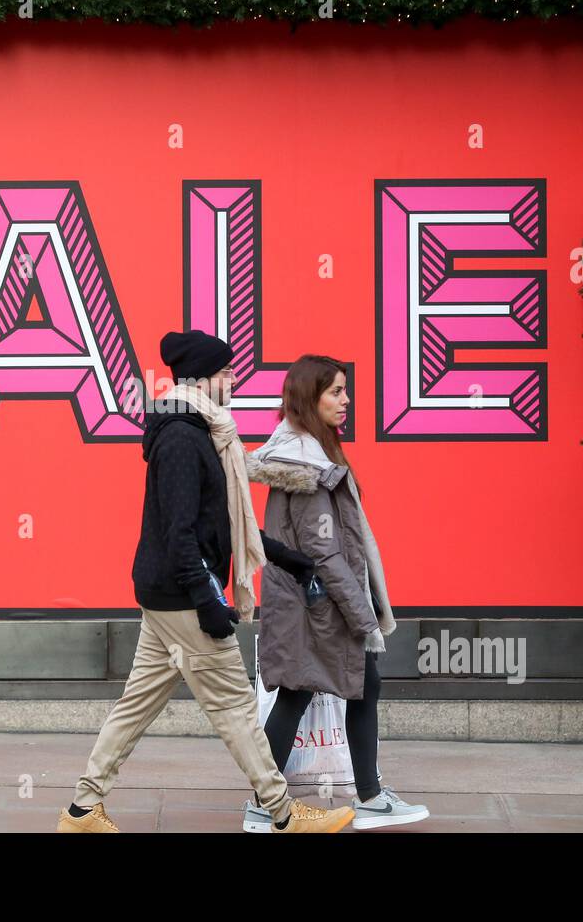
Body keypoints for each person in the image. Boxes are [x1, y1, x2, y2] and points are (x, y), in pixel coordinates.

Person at [58, 330, 354, 833]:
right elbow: (179, 535)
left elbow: (220, 523)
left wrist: (289, 559)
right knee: (236, 707)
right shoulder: (181, 439)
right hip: (183, 598)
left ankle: (83, 810)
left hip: (166, 596)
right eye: (225, 373)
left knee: (136, 705)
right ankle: (282, 814)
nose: (233, 379)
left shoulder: (205, 432)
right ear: (202, 379)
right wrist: (207, 599)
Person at [245, 354, 429, 830]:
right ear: (309, 398)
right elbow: (324, 552)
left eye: (346, 390)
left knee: (328, 690)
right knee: (310, 692)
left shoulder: (309, 454)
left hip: (316, 604)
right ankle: (344, 799)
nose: (346, 400)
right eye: (336, 392)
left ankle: (282, 803)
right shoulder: (306, 464)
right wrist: (363, 617)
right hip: (321, 605)